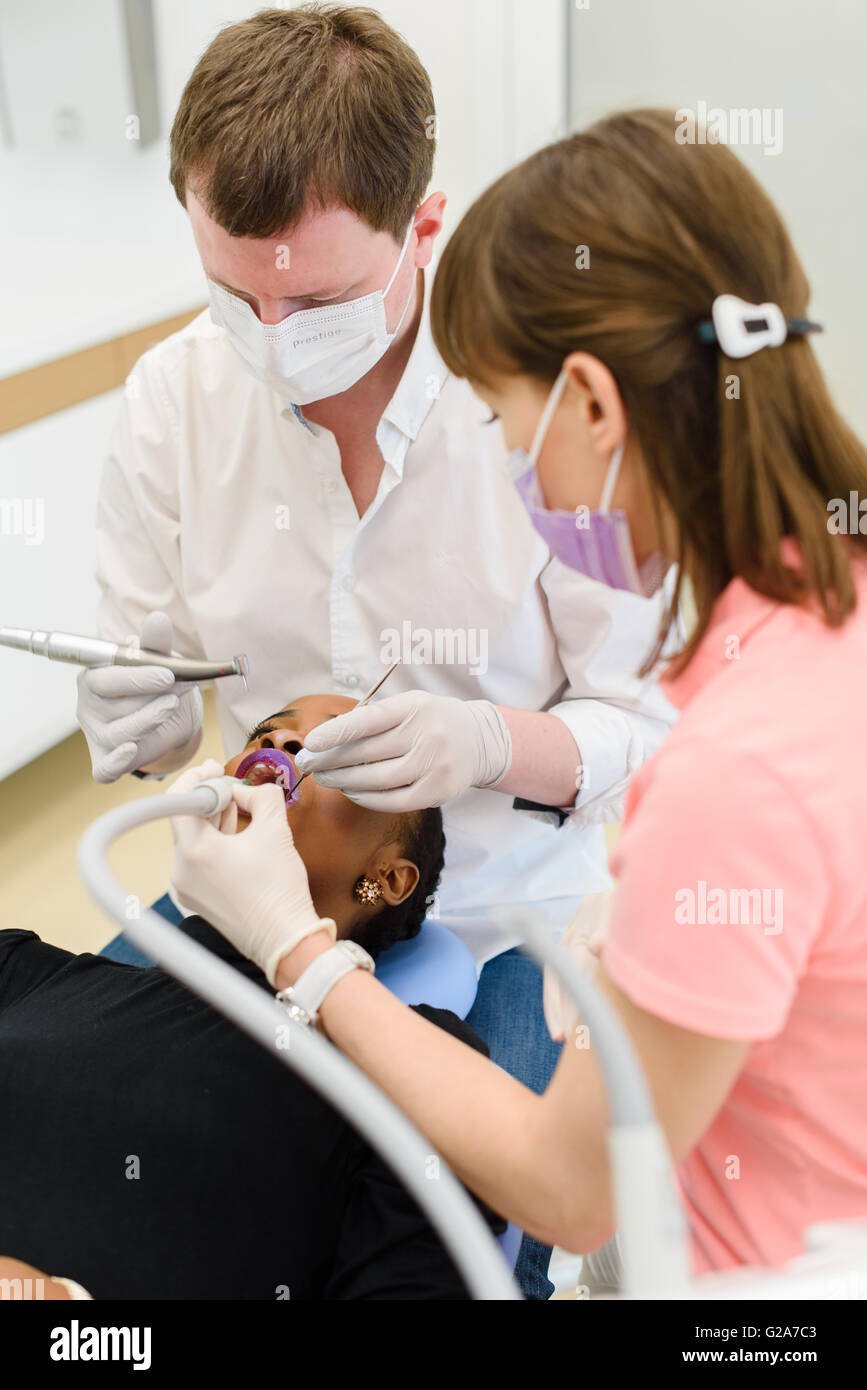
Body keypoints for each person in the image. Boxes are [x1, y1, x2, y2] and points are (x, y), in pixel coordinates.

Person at [169, 108, 867, 1286]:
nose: (509, 467)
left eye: (503, 419)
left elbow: (568, 1187)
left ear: (591, 404)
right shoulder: (821, 622)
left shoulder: (736, 767)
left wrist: (299, 952)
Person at [76, 5, 674, 1297]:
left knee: (445, 1253)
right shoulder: (174, 404)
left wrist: (493, 741)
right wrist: (136, 723)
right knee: (86, 1173)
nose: (275, 337)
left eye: (321, 297)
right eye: (236, 291)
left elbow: (652, 721)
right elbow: (165, 691)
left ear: (424, 222)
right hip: (244, 903)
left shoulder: (531, 409)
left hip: (506, 912)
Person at [0, 698, 507, 1300]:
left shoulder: (423, 1067)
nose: (285, 745)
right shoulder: (24, 970)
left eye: (343, 752)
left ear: (389, 878)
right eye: (268, 731)